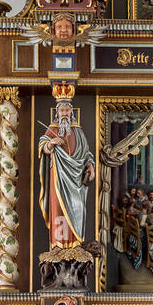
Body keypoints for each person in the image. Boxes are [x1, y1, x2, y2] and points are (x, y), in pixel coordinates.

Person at [38, 101, 94, 247]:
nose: (64, 113)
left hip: (76, 180)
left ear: (71, 113)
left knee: (77, 208)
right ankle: (58, 244)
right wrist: (51, 143)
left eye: (67, 110)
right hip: (58, 177)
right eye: (62, 110)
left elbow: (86, 153)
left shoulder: (78, 131)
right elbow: (43, 147)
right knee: (58, 208)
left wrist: (91, 167)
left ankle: (75, 244)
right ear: (57, 113)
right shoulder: (52, 129)